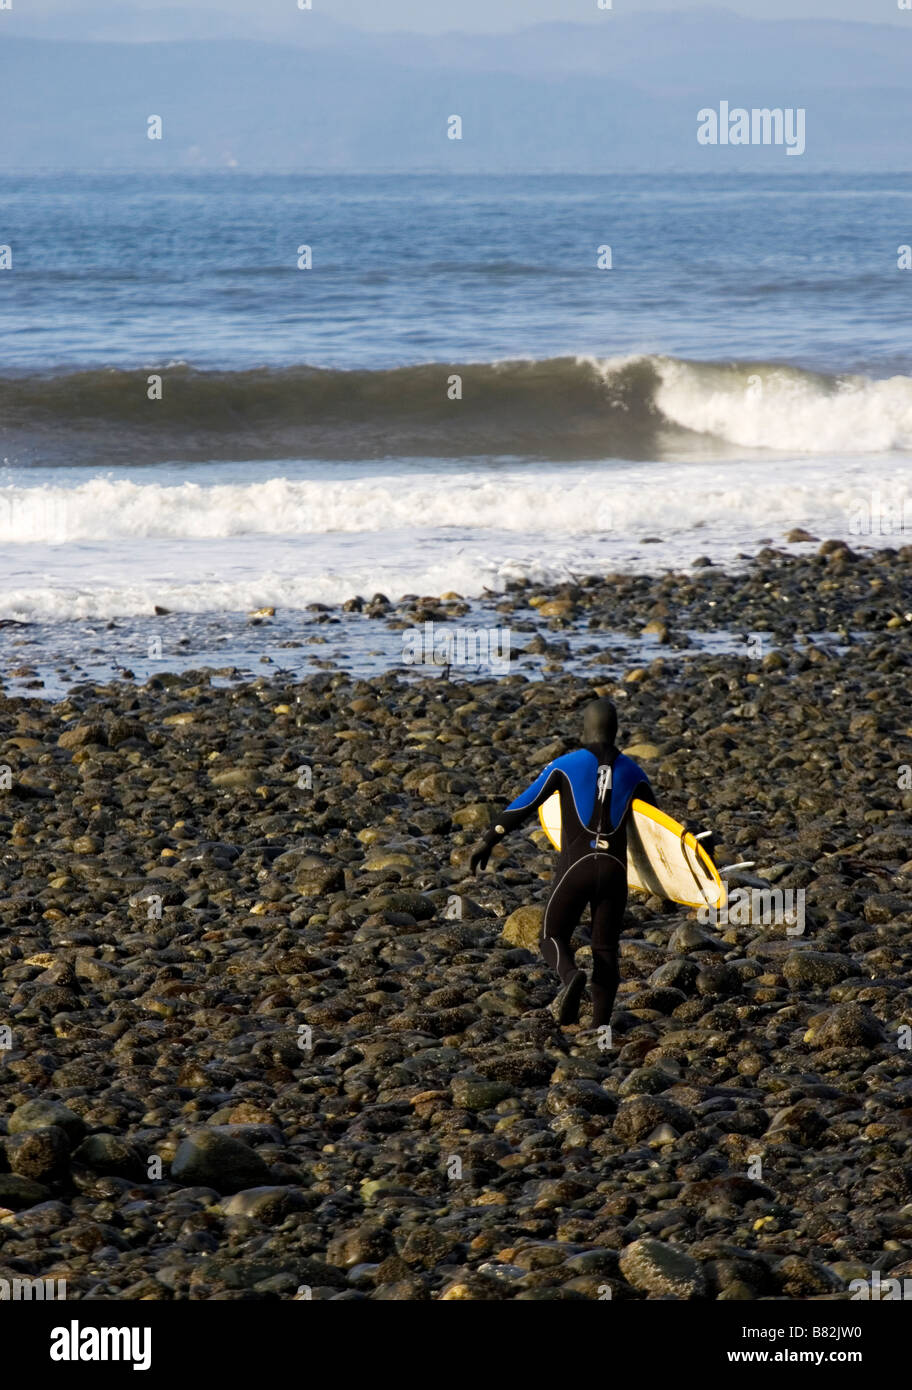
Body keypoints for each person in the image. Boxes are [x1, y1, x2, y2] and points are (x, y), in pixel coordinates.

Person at [470, 697, 654, 1027]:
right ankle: (601, 1032)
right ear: (615, 730)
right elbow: (657, 832)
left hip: (577, 866)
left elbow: (523, 805)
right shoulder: (636, 773)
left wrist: (489, 839)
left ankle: (570, 979)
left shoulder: (566, 765)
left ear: (585, 728)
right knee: (605, 948)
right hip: (615, 869)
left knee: (551, 935)